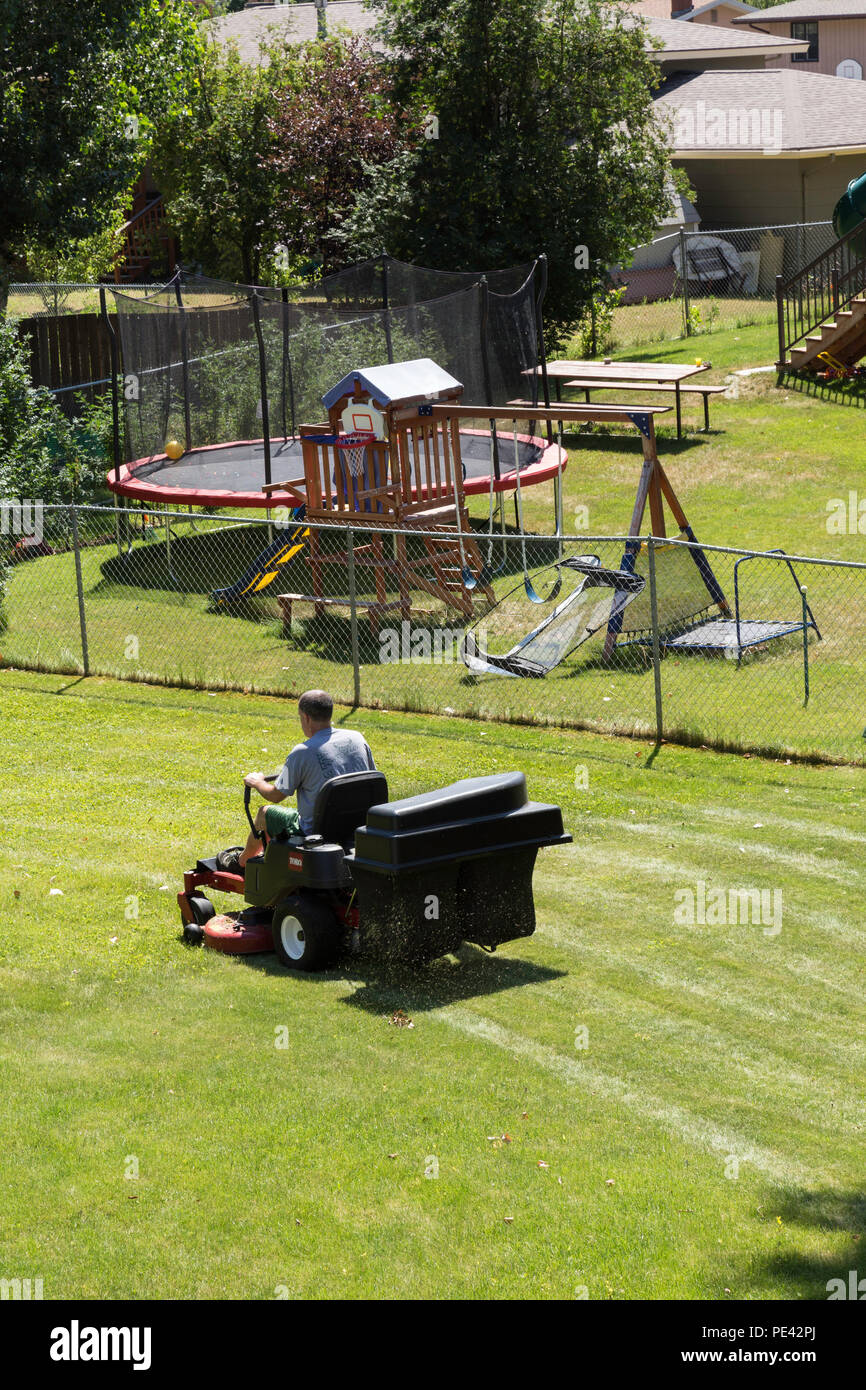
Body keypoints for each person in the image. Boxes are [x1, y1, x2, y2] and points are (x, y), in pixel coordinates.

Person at [239, 690, 376, 866]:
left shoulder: (302, 753)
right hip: (355, 824)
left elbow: (275, 795)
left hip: (316, 831)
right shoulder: (357, 739)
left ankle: (242, 862)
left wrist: (257, 782)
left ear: (306, 717)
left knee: (264, 814)